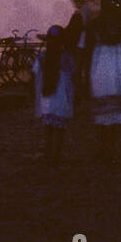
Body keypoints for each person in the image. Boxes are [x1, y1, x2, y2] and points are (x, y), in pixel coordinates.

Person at [89, 0, 121, 155]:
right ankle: (110, 147)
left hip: (101, 72)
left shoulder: (95, 26)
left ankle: (105, 147)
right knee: (115, 116)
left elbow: (85, 49)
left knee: (104, 117)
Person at [33, 24, 75, 162]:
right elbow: (74, 74)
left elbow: (34, 74)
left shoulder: (42, 56)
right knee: (59, 127)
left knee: (49, 127)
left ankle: (48, 151)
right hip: (62, 97)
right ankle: (56, 153)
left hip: (47, 96)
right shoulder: (66, 57)